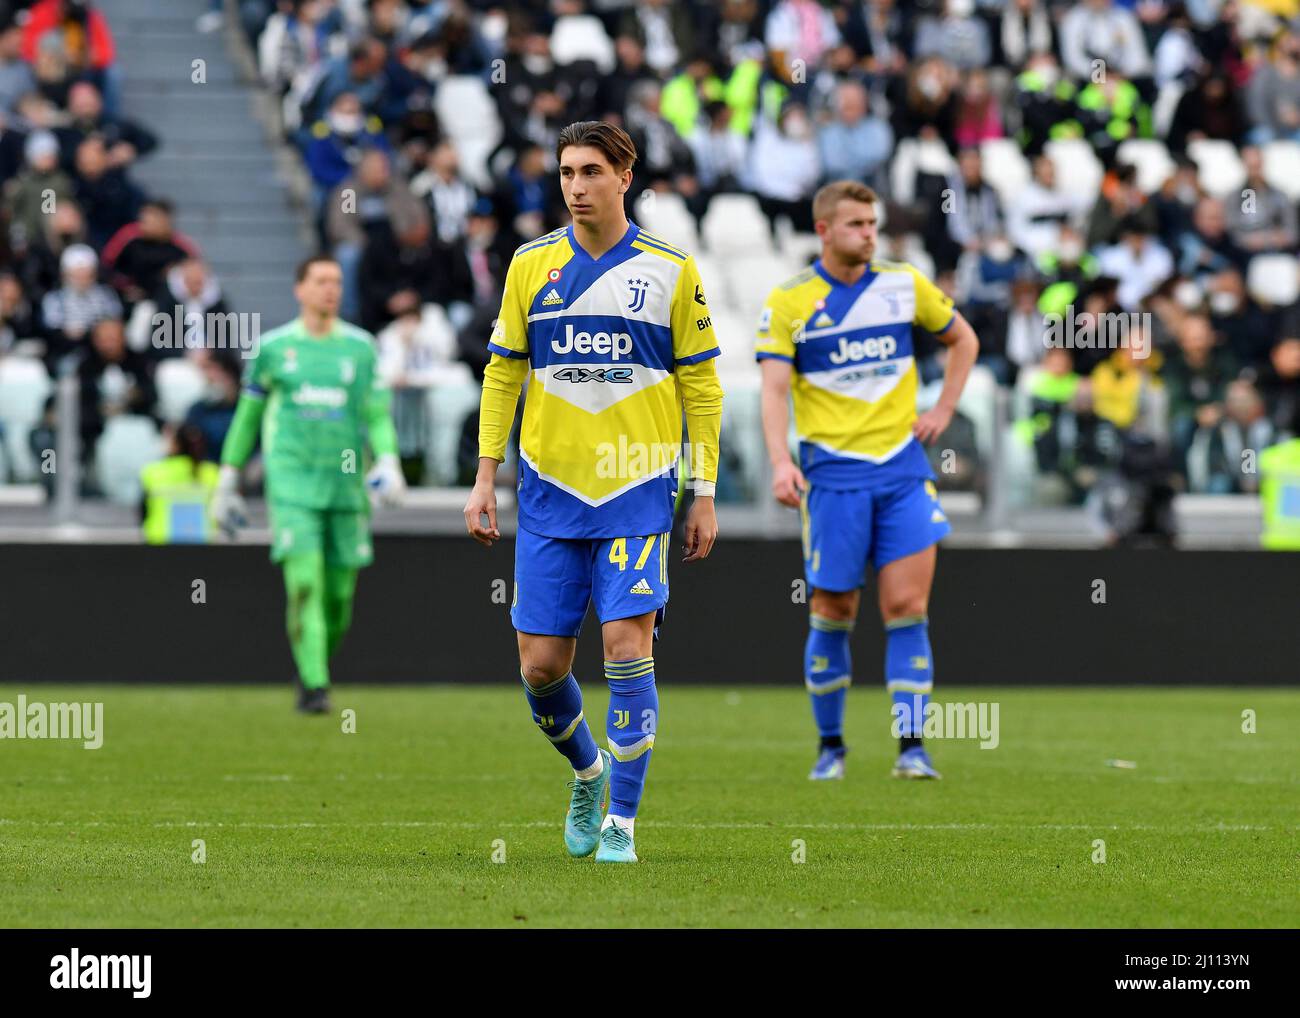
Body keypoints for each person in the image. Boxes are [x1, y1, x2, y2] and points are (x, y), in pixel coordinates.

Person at [462, 121, 723, 864]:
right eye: (567, 173)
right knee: (541, 666)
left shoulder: (672, 270)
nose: (576, 187)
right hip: (548, 491)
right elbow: (504, 372)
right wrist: (485, 475)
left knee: (623, 646)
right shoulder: (529, 265)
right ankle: (588, 770)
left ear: (624, 176)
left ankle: (623, 824)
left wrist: (701, 489)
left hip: (640, 486)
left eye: (591, 173)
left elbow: (702, 386)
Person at [755, 180, 979, 782]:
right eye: (855, 224)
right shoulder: (790, 302)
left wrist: (942, 412)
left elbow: (964, 339)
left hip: (903, 470)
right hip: (832, 477)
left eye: (873, 224)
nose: (869, 234)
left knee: (907, 606)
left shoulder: (903, 284)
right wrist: (781, 460)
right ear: (824, 230)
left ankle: (912, 749)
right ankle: (831, 746)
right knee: (834, 609)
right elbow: (773, 390)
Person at [210, 256, 406, 714]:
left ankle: (310, 663)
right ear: (299, 289)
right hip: (293, 482)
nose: (330, 289)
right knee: (304, 584)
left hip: (345, 487)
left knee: (339, 596)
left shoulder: (360, 348)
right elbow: (248, 416)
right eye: (320, 281)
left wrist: (390, 460)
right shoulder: (274, 349)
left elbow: (375, 413)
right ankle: (316, 685)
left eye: (336, 282)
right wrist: (227, 477)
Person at [140, 424, 221, 544]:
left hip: (160, 544)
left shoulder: (152, 472)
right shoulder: (214, 473)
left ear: (175, 445)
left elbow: (143, 513)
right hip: (204, 546)